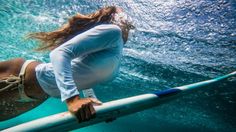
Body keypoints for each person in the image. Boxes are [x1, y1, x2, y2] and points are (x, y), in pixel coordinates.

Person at [0, 6, 134, 122]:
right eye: (124, 15)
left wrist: (94, 104)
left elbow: (82, 74)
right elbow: (59, 53)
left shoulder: (114, 47)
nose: (130, 20)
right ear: (115, 18)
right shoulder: (113, 32)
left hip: (36, 97)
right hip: (19, 77)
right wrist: (72, 99)